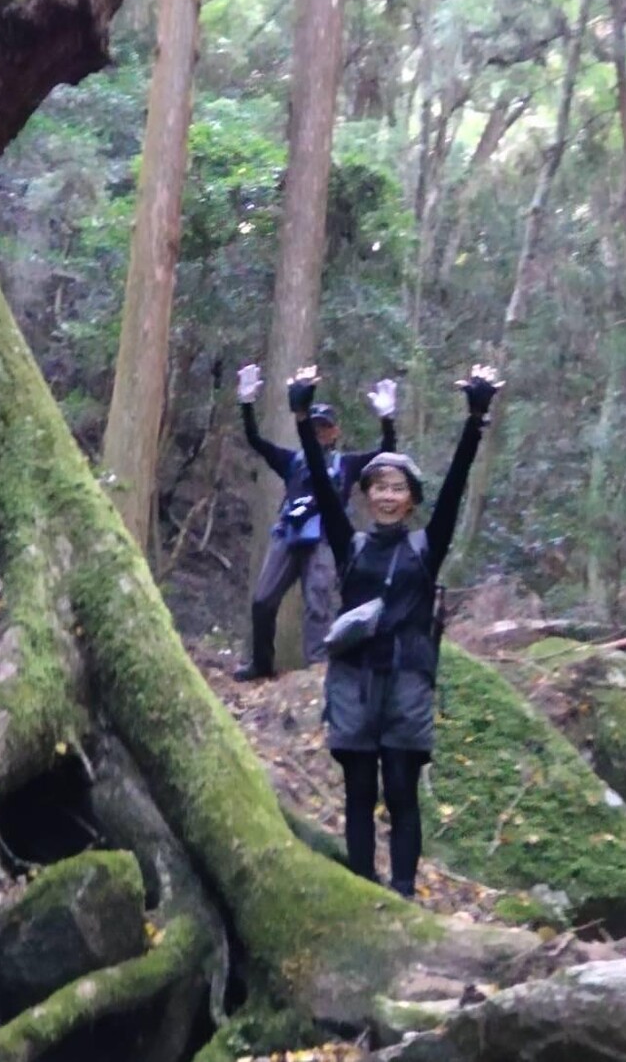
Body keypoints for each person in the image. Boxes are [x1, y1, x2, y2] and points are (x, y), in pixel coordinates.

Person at [289, 361, 501, 897]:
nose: (386, 496)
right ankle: (363, 890)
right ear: (365, 496)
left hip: (406, 681)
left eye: (397, 488)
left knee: (402, 790)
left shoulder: (425, 549)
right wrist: (299, 415)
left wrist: (475, 419)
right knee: (358, 791)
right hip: (354, 681)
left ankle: (403, 892)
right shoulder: (351, 544)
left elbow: (453, 487)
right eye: (378, 487)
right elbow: (316, 476)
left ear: (410, 498)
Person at [233, 363, 398, 682]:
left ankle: (317, 670)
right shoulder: (292, 461)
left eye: (326, 427)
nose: (321, 432)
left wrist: (387, 420)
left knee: (317, 604)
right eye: (317, 425)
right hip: (288, 534)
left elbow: (385, 453)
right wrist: (246, 403)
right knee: (262, 600)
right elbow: (255, 440)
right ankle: (261, 662)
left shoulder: (346, 465)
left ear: (335, 432)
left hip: (323, 539)